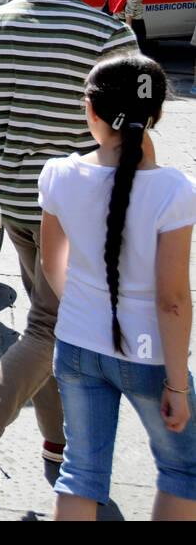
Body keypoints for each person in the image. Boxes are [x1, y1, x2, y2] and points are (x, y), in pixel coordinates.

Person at [0, 0, 139, 507]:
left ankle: (60, 444)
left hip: (14, 197)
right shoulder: (111, 36)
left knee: (52, 319)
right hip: (76, 208)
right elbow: (126, 139)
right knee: (53, 327)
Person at [39, 53, 196, 521]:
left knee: (80, 472)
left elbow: (52, 261)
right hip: (149, 354)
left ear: (91, 109)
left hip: (76, 344)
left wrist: (87, 310)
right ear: (160, 115)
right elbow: (171, 301)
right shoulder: (173, 190)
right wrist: (177, 384)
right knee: (184, 469)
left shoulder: (59, 173)